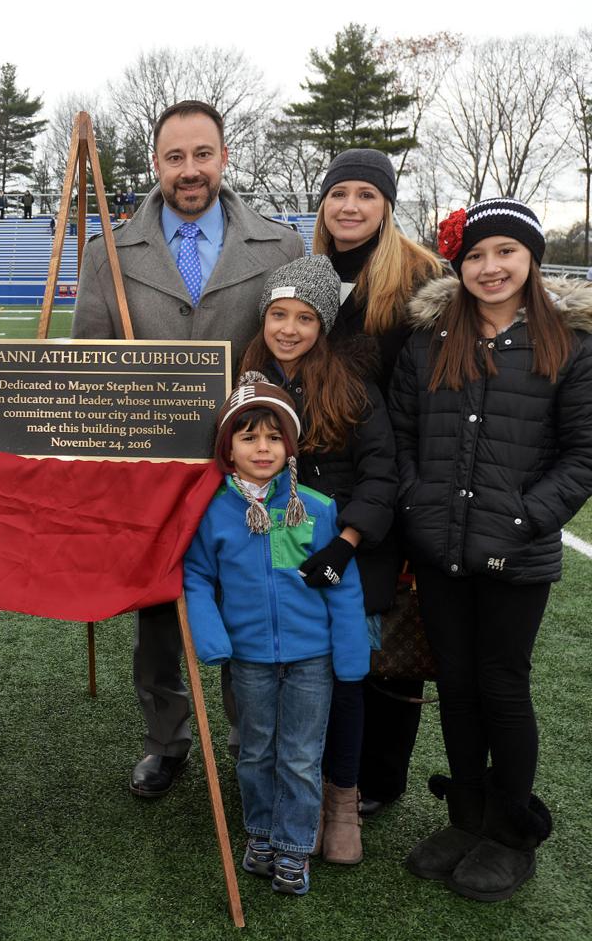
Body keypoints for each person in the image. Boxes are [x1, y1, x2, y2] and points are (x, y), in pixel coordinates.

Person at [72, 99, 304, 798]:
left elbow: (298, 358)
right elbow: (88, 362)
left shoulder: (280, 247)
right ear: (156, 164)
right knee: (157, 615)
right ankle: (165, 737)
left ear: (225, 157)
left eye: (202, 154)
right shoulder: (106, 251)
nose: (190, 169)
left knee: (251, 603)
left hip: (249, 469)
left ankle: (248, 739)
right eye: (175, 157)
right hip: (154, 475)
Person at [389, 197, 592, 901]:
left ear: (530, 259)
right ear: (459, 265)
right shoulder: (430, 339)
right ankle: (466, 815)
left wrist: (525, 518)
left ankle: (510, 833)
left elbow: (582, 453)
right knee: (458, 685)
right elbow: (404, 436)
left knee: (502, 686)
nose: (489, 266)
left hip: (516, 554)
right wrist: (417, 506)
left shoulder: (569, 343)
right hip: (442, 547)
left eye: (504, 251)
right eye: (475, 255)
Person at [238, 254, 397, 864]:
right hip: (263, 561)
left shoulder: (351, 387)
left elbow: (381, 474)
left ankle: (340, 803)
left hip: (339, 557)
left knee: (344, 681)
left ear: (323, 325)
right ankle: (272, 795)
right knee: (259, 677)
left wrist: (346, 543)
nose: (289, 328)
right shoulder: (246, 379)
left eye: (305, 317)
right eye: (278, 314)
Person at [184, 375, 368, 896]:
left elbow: (342, 581)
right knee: (256, 750)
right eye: (247, 438)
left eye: (272, 436)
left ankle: (293, 845)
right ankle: (261, 833)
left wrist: (350, 653)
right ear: (228, 448)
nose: (261, 448)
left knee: (302, 756)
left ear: (290, 443)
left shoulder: (314, 506)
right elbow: (197, 576)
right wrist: (211, 634)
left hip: (313, 657)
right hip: (248, 657)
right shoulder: (213, 511)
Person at [311, 149, 443, 819]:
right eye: (339, 194)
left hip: (400, 474)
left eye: (366, 193)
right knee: (339, 635)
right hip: (326, 479)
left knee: (392, 629)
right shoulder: (307, 274)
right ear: (323, 204)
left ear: (388, 204)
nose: (351, 206)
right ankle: (333, 766)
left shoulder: (423, 278)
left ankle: (382, 776)